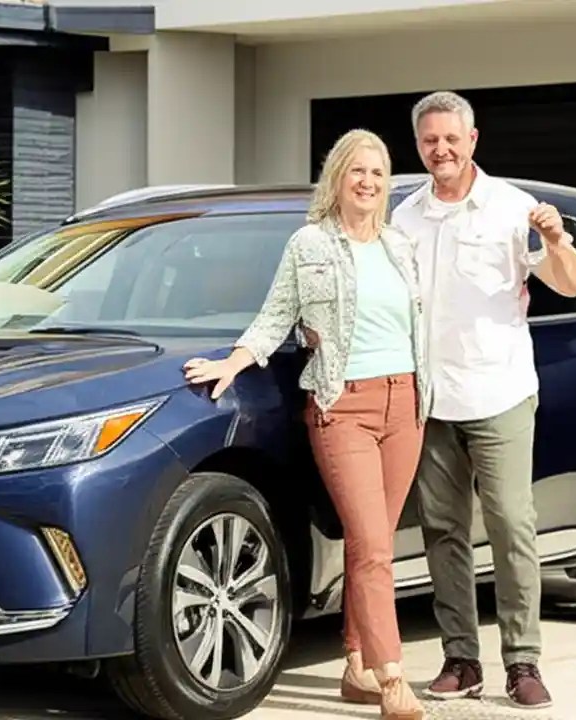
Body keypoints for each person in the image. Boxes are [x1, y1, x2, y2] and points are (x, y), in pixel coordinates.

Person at [183, 129, 430, 720]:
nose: (367, 182)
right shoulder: (309, 244)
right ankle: (392, 678)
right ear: (337, 180)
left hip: (405, 405)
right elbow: (275, 318)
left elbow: (422, 321)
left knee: (373, 547)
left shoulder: (401, 246)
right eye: (356, 172)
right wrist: (233, 361)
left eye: (377, 173)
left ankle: (355, 665)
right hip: (342, 405)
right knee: (371, 545)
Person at [389, 90, 576, 710]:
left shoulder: (514, 207)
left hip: (498, 391)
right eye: (429, 141)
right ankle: (460, 659)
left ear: (473, 140)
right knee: (443, 530)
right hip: (432, 397)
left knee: (509, 523)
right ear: (419, 146)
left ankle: (523, 663)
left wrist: (556, 241)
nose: (440, 149)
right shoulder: (407, 217)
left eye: (451, 138)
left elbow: (570, 282)